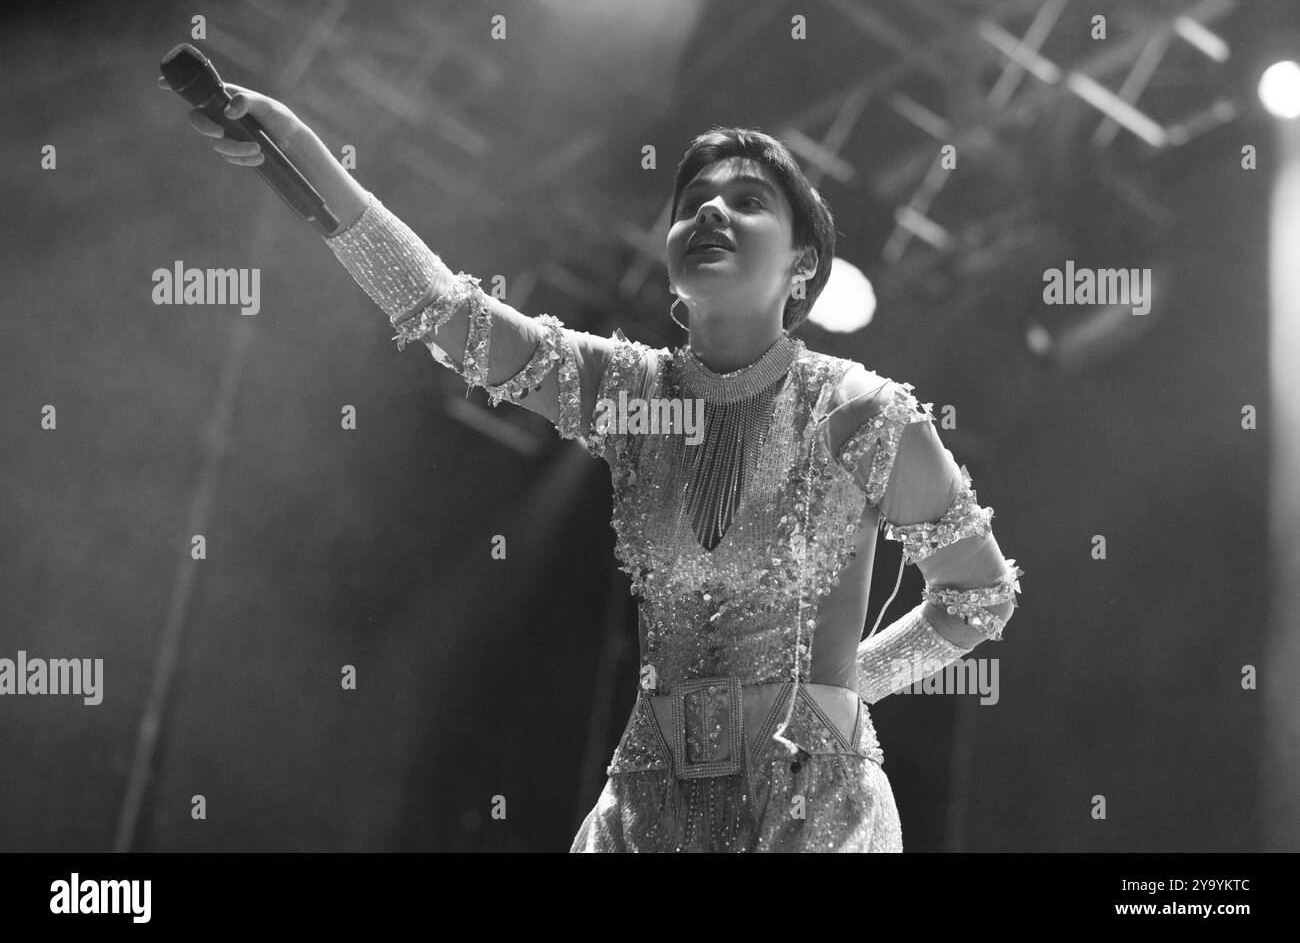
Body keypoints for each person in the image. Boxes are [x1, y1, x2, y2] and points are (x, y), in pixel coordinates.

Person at [162, 77, 1024, 853]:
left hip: (808, 816)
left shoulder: (862, 414)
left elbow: (979, 596)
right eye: (692, 203)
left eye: (749, 201)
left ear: (804, 265)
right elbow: (442, 310)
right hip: (645, 813)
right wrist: (304, 154)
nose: (711, 214)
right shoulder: (632, 395)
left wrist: (838, 697)